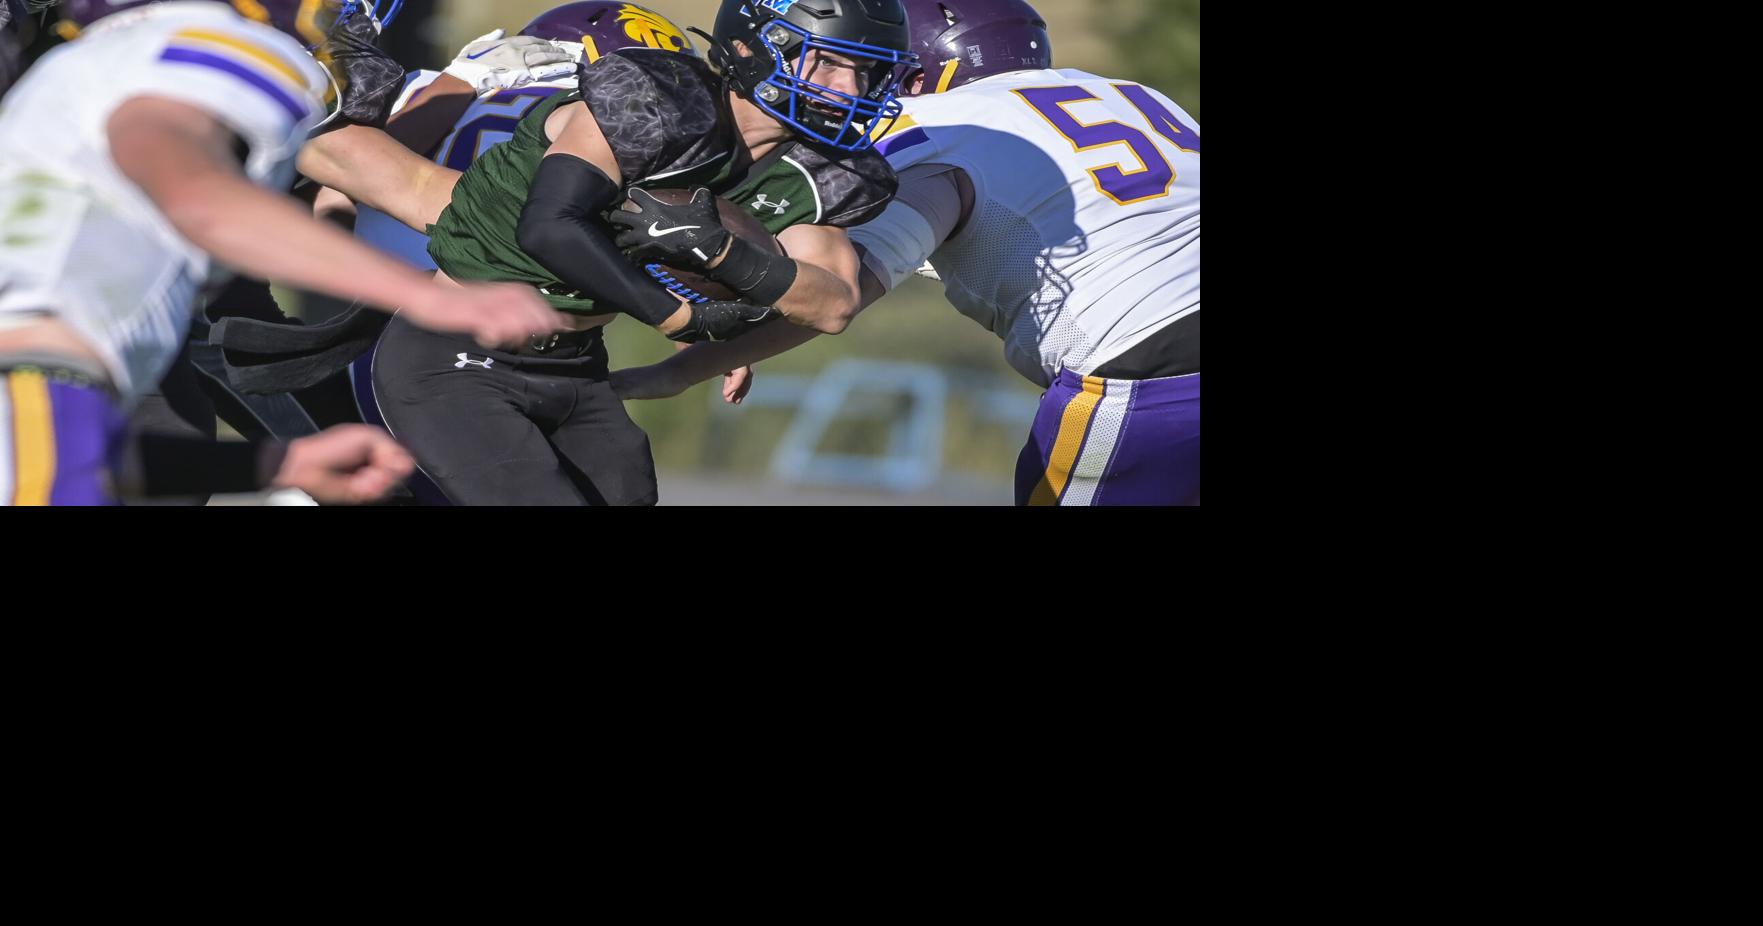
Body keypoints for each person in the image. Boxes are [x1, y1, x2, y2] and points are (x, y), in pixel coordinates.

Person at [296, 0, 918, 505]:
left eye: (867, 72)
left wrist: (722, 255)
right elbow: (551, 225)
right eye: (831, 64)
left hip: (577, 367)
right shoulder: (652, 100)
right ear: (753, 48)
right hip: (453, 354)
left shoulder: (824, 169)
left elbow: (833, 303)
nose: (850, 89)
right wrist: (680, 317)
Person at [615, 0, 1201, 506]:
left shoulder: (933, 128)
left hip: (1148, 365)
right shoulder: (1126, 93)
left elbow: (835, 297)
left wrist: (685, 367)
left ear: (916, 72)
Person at [0, 0, 564, 504]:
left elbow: (95, 460)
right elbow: (196, 196)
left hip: (53, 394)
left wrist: (280, 463)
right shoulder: (210, 45)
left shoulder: (85, 73)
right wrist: (422, 297)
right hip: (39, 380)